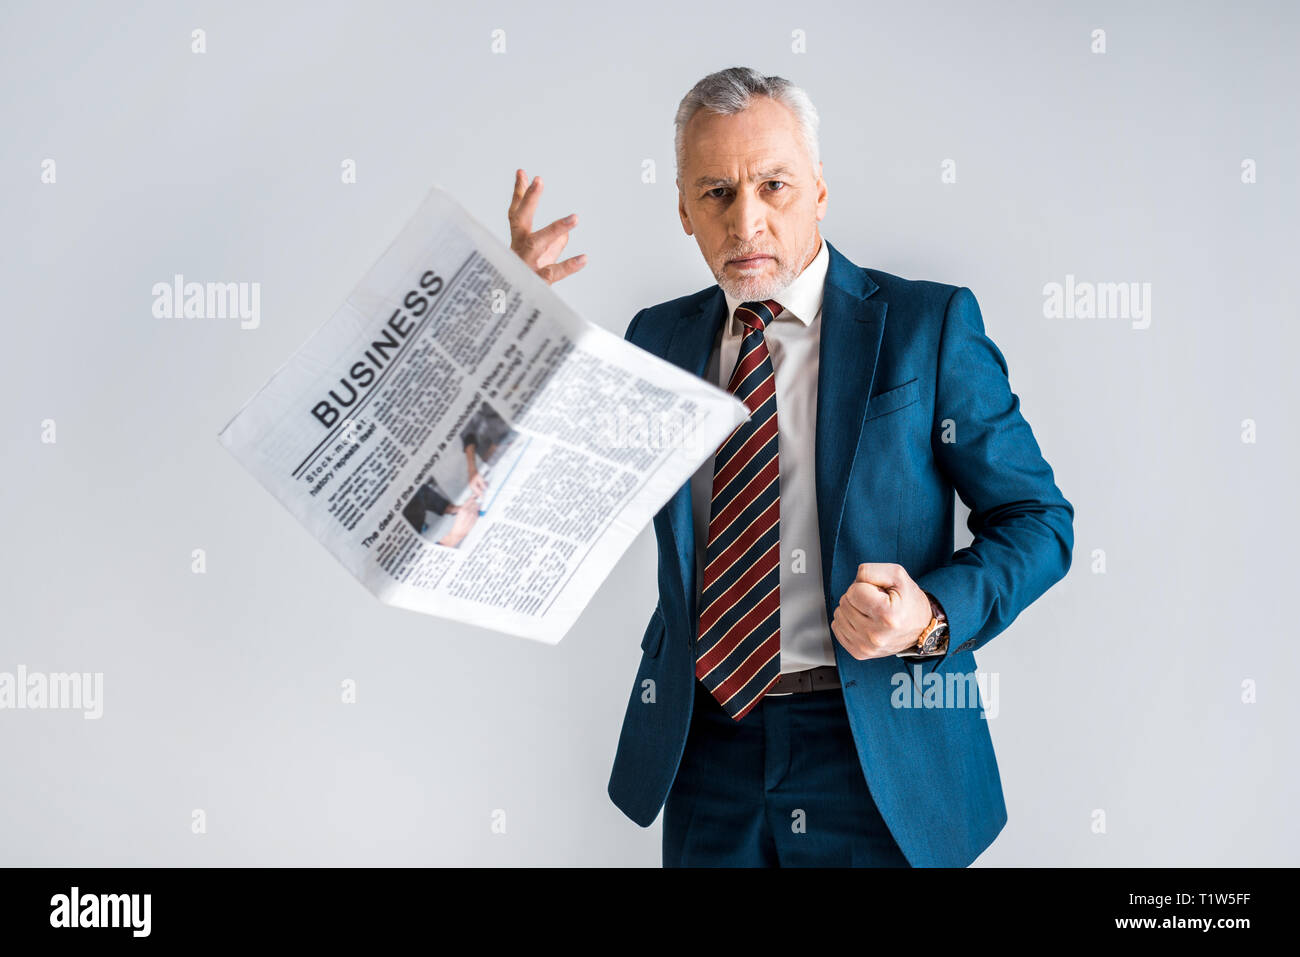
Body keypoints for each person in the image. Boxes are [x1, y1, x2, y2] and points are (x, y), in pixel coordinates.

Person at [507, 66, 1073, 868]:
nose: (747, 221)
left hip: (876, 748)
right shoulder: (657, 340)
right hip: (709, 750)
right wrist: (509, 330)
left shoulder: (926, 325)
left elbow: (1039, 522)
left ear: (819, 191)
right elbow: (548, 503)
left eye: (773, 185)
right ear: (682, 211)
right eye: (715, 193)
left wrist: (930, 616)